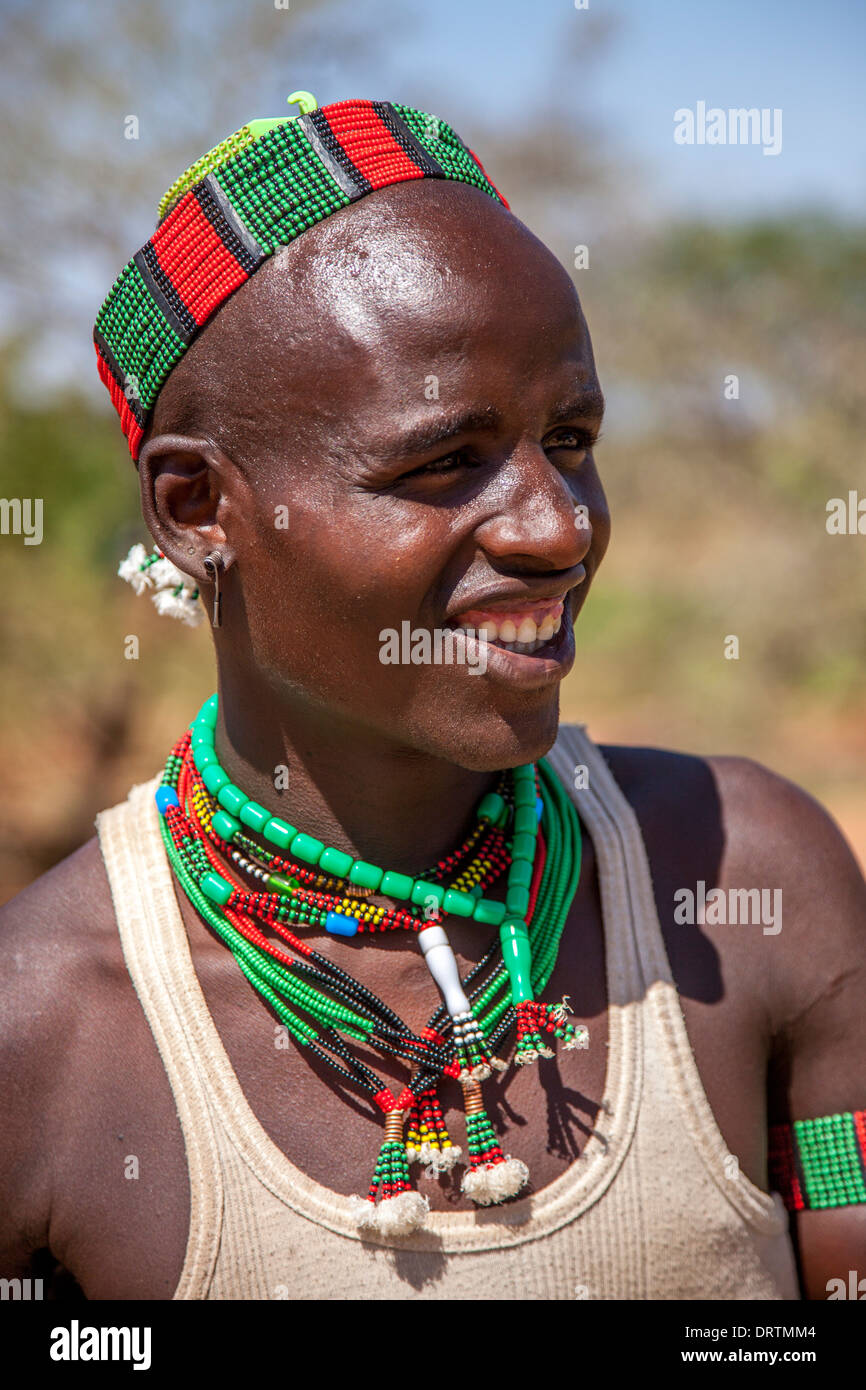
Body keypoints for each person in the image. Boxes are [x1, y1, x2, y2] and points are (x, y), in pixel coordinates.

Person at [1, 96, 864, 1302]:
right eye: (442, 460)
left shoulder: (747, 884)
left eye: (570, 436)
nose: (558, 527)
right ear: (198, 510)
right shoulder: (41, 1035)